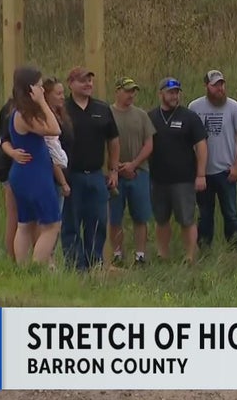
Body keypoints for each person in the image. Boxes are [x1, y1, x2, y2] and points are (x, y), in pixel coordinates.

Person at [58, 66, 120, 272]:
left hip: (95, 175)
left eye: (90, 80)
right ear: (71, 84)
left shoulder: (102, 109)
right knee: (71, 222)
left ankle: (95, 263)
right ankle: (76, 266)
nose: (88, 84)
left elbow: (113, 139)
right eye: (83, 80)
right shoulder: (62, 109)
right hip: (71, 175)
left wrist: (113, 169)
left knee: (98, 221)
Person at [5, 65, 64, 268]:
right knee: (52, 224)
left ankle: (22, 269)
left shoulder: (18, 112)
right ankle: (37, 268)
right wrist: (42, 102)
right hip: (34, 175)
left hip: (24, 172)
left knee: (26, 223)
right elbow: (55, 129)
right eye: (38, 86)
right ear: (30, 89)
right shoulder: (24, 114)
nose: (41, 90)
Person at [148, 77, 208, 263]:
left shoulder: (189, 117)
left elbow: (201, 146)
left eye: (176, 93)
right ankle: (163, 253)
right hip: (158, 179)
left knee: (186, 219)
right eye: (170, 92)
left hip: (183, 179)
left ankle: (190, 256)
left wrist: (201, 174)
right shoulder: (151, 117)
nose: (174, 96)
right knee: (161, 219)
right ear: (161, 94)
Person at [189, 69, 237, 252]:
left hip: (225, 172)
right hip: (203, 173)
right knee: (205, 215)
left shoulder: (234, 108)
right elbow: (189, 138)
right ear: (207, 86)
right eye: (215, 85)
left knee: (231, 213)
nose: (220, 88)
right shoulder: (195, 107)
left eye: (222, 84)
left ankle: (236, 248)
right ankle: (204, 249)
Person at [108, 76, 156, 267]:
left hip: (139, 172)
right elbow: (104, 143)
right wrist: (116, 165)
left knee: (140, 216)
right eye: (127, 91)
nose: (131, 95)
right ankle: (118, 253)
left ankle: (140, 255)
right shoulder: (108, 113)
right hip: (115, 172)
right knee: (115, 216)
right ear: (117, 91)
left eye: (133, 91)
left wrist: (133, 164)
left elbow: (149, 143)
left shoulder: (141, 115)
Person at [0, 96, 33, 260]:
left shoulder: (13, 108)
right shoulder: (15, 110)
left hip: (18, 166)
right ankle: (14, 258)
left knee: (22, 217)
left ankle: (19, 257)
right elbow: (3, 139)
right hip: (13, 166)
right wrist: (12, 153)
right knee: (16, 216)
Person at [42, 77, 73, 227]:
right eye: (58, 93)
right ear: (47, 95)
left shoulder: (62, 115)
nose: (62, 97)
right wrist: (63, 181)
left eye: (63, 93)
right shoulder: (46, 118)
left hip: (65, 171)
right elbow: (51, 152)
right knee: (52, 224)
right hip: (53, 177)